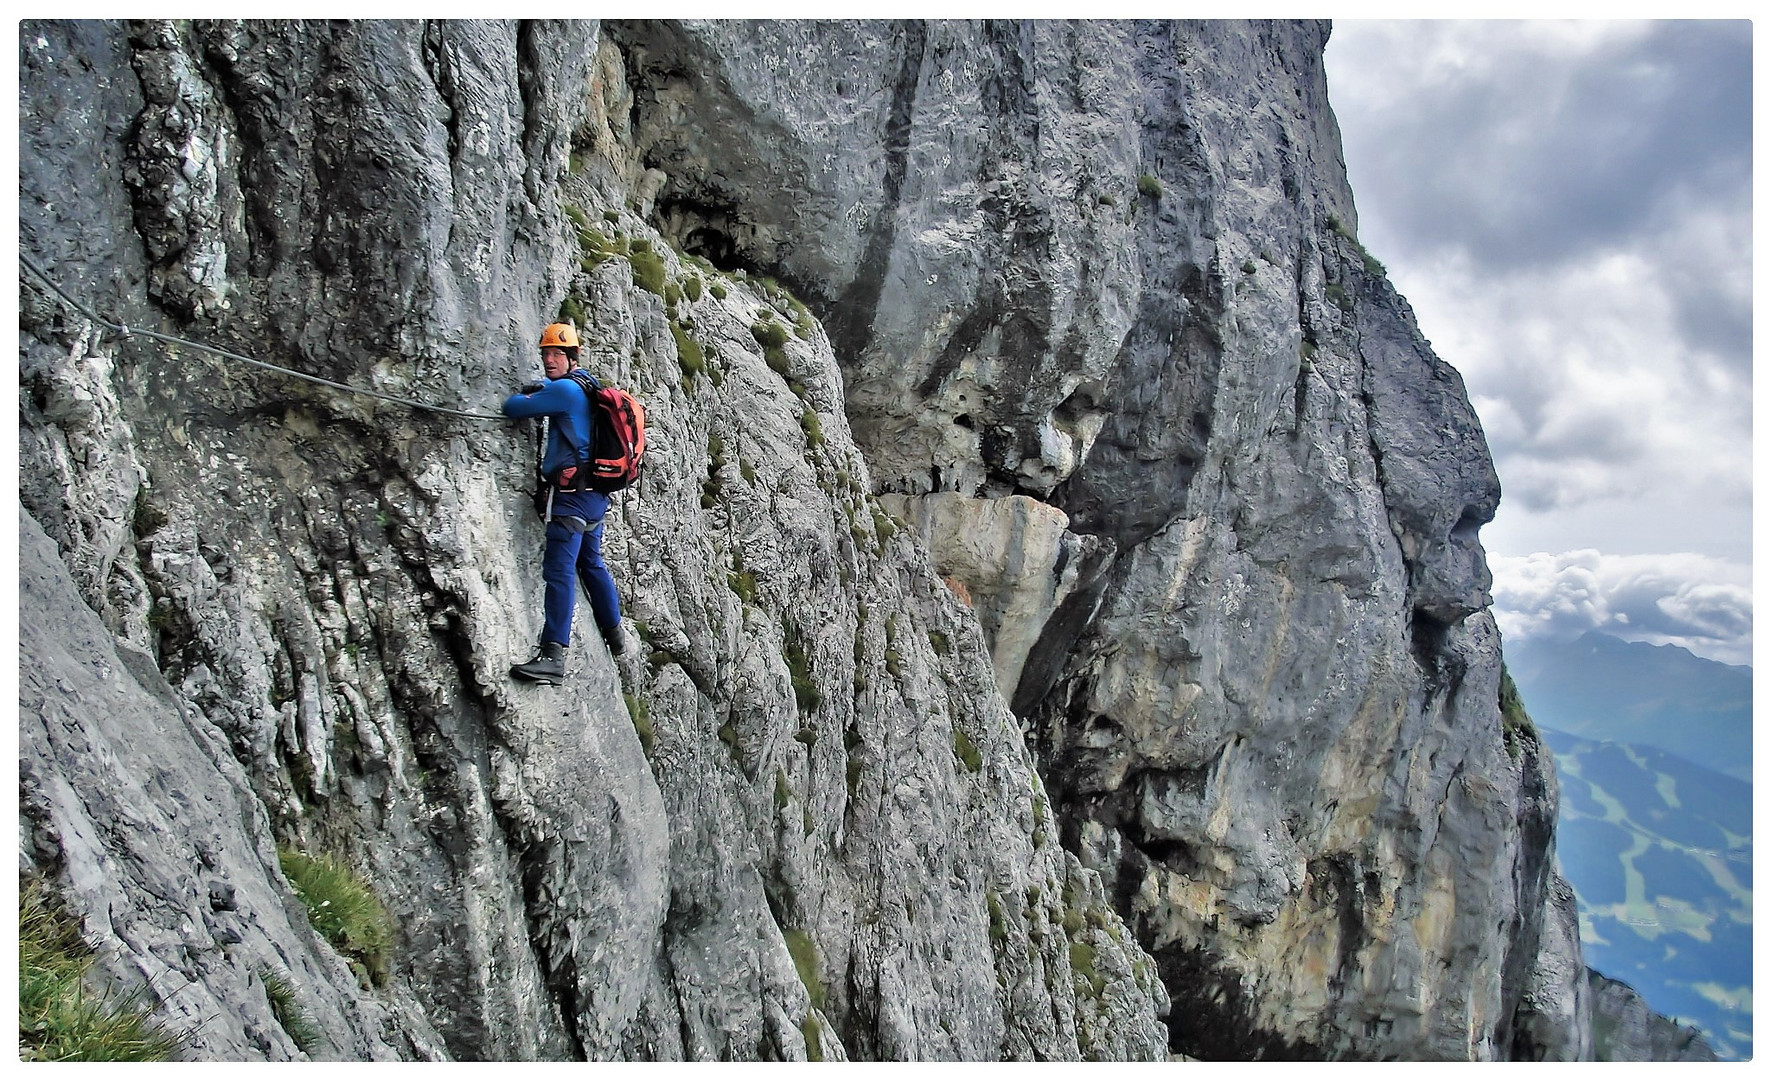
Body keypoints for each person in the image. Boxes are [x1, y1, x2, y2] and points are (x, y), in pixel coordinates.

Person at [503, 323, 624, 684]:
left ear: (571, 358)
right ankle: (614, 633)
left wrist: (533, 394)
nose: (550, 360)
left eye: (557, 354)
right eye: (546, 354)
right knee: (591, 562)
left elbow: (513, 408)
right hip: (595, 497)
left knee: (559, 571)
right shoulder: (587, 385)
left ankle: (552, 655)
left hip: (570, 498)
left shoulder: (564, 390)